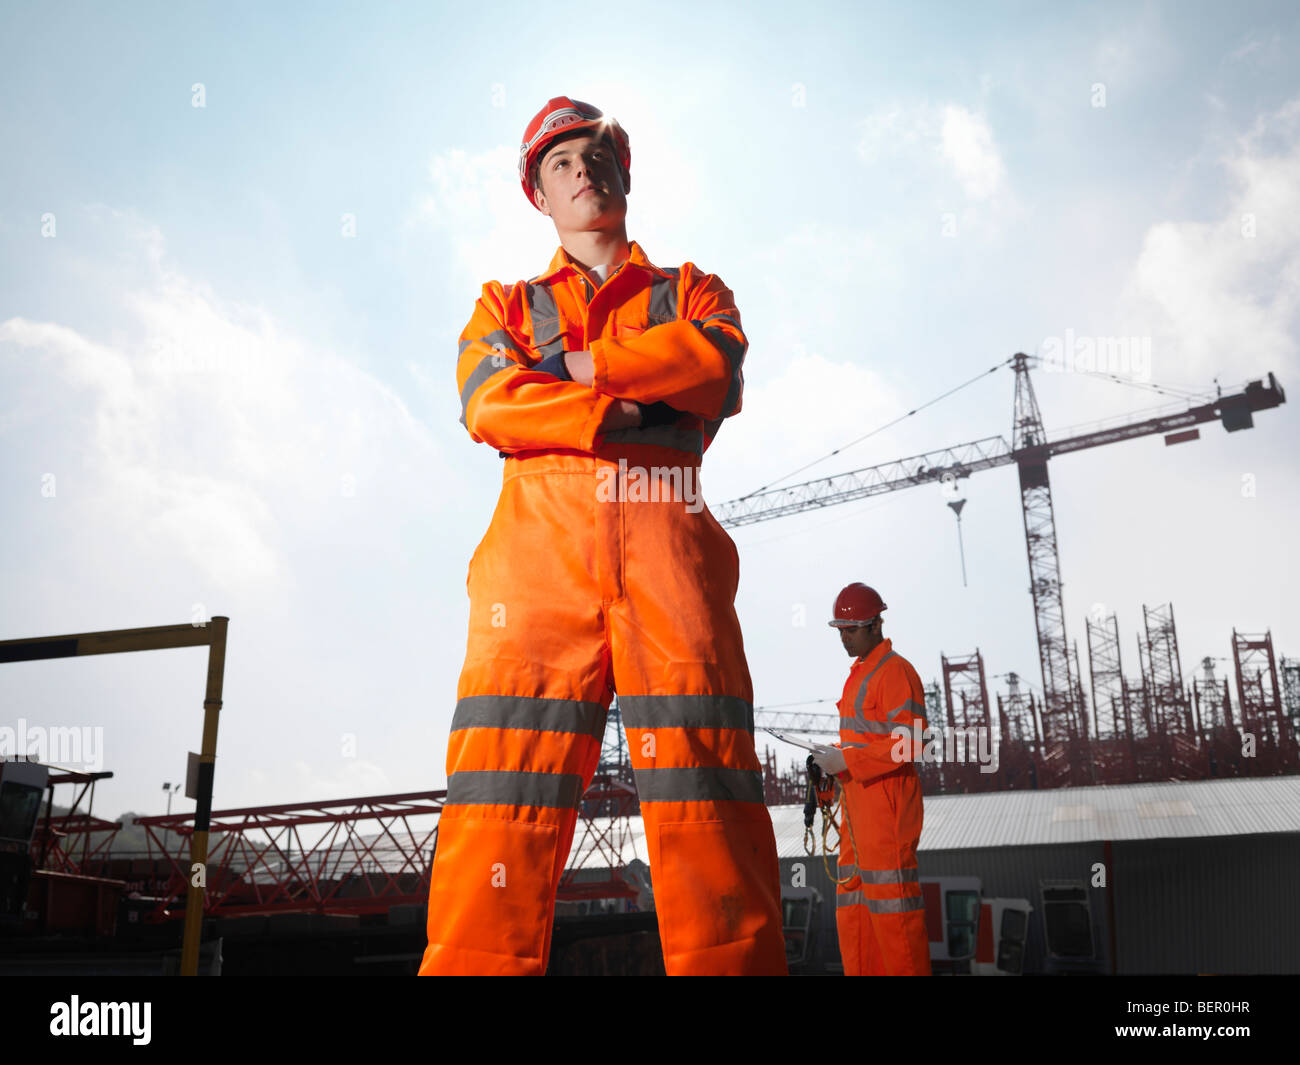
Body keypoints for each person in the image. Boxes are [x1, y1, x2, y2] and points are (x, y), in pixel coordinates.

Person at [419, 96, 787, 976]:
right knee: (497, 803)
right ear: (536, 195)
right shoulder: (503, 305)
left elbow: (717, 370)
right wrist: (630, 397)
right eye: (559, 163)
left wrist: (583, 370)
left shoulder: (693, 291)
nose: (581, 171)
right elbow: (487, 401)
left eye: (593, 154)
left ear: (623, 169)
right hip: (534, 580)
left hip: (671, 569)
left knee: (709, 794)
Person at [811, 582, 931, 975]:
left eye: (851, 630)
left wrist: (846, 760)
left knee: (894, 917)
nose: (843, 638)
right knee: (855, 913)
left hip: (886, 813)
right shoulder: (860, 675)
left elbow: (910, 743)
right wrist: (830, 762)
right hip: (858, 813)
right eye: (840, 631)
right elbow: (864, 743)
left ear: (875, 625)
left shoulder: (895, 672)